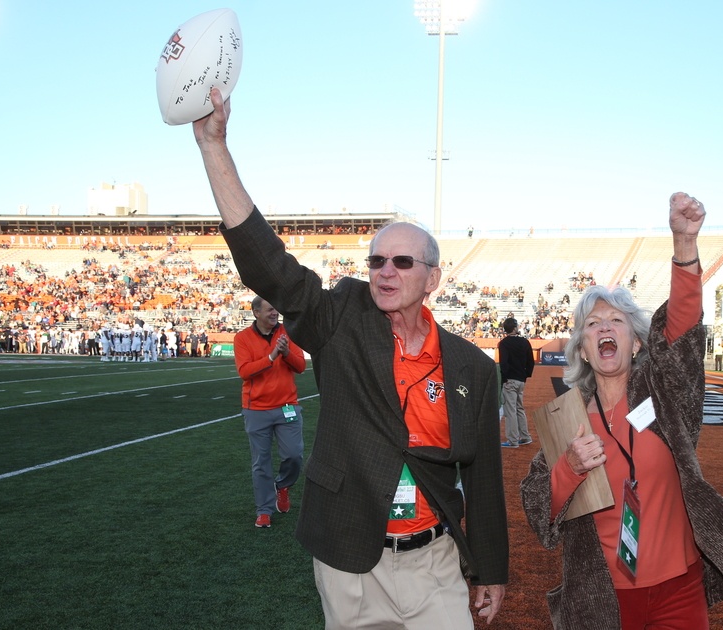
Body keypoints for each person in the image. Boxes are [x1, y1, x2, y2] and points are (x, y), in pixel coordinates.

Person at [193, 87, 507, 628]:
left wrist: (492, 569)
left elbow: (482, 478)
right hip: (350, 562)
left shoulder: (473, 368)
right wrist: (214, 147)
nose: (385, 271)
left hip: (435, 565)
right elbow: (273, 271)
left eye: (402, 262)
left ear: (432, 278)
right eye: (376, 260)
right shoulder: (342, 317)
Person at [520, 193, 723, 629]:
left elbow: (681, 335)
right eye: (592, 324)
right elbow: (537, 509)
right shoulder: (566, 421)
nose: (605, 327)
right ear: (583, 349)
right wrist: (569, 467)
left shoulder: (663, 396)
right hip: (601, 597)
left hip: (678, 590)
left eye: (617, 320)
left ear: (637, 342)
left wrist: (685, 244)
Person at [234, 296, 308, 529]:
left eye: (276, 309)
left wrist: (285, 353)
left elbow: (301, 366)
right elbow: (245, 372)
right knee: (261, 462)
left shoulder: (288, 332)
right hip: (256, 409)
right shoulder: (242, 338)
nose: (275, 313)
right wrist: (271, 357)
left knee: (294, 455)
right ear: (256, 313)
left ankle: (282, 485)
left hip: (287, 406)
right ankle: (264, 510)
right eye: (270, 309)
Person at [498, 317, 535, 448]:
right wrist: (525, 375)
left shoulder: (504, 343)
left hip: (510, 380)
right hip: (520, 380)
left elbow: (504, 363)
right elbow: (530, 362)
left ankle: (513, 440)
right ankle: (525, 437)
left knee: (510, 410)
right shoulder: (524, 342)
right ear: (514, 328)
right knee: (519, 408)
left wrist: (505, 379)